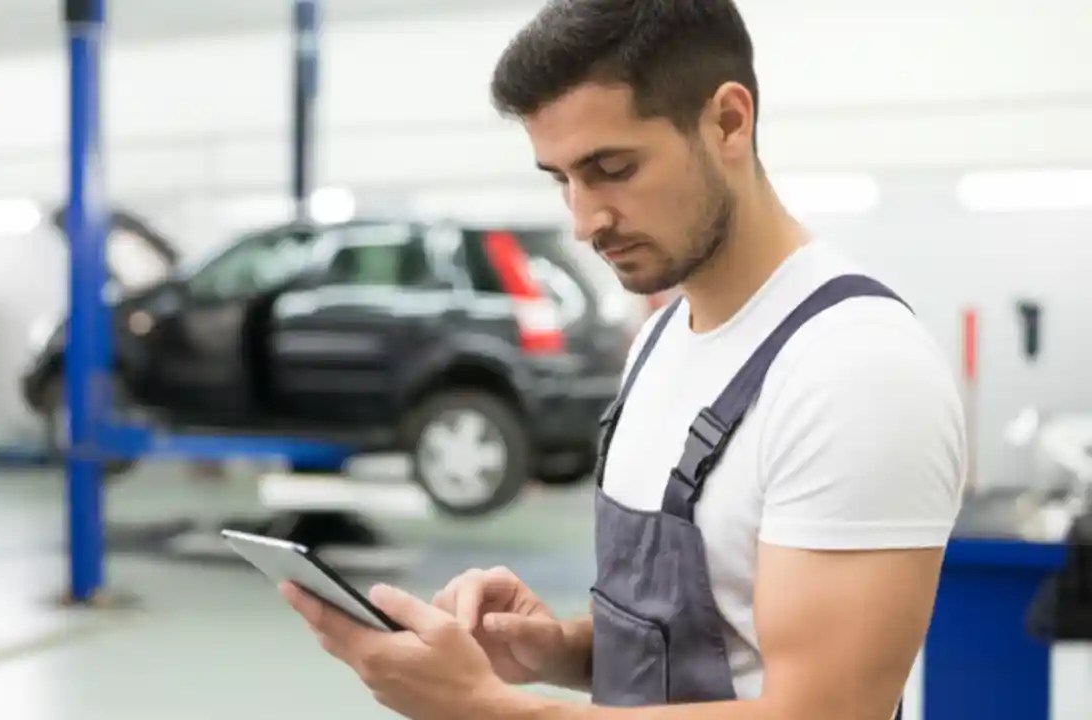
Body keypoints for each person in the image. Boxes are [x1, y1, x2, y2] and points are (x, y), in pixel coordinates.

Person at [279, 1, 967, 718]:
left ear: (729, 121)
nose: (584, 221)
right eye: (561, 179)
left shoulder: (855, 370)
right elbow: (726, 644)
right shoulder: (661, 341)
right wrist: (563, 648)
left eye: (611, 168)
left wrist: (485, 709)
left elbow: (824, 711)